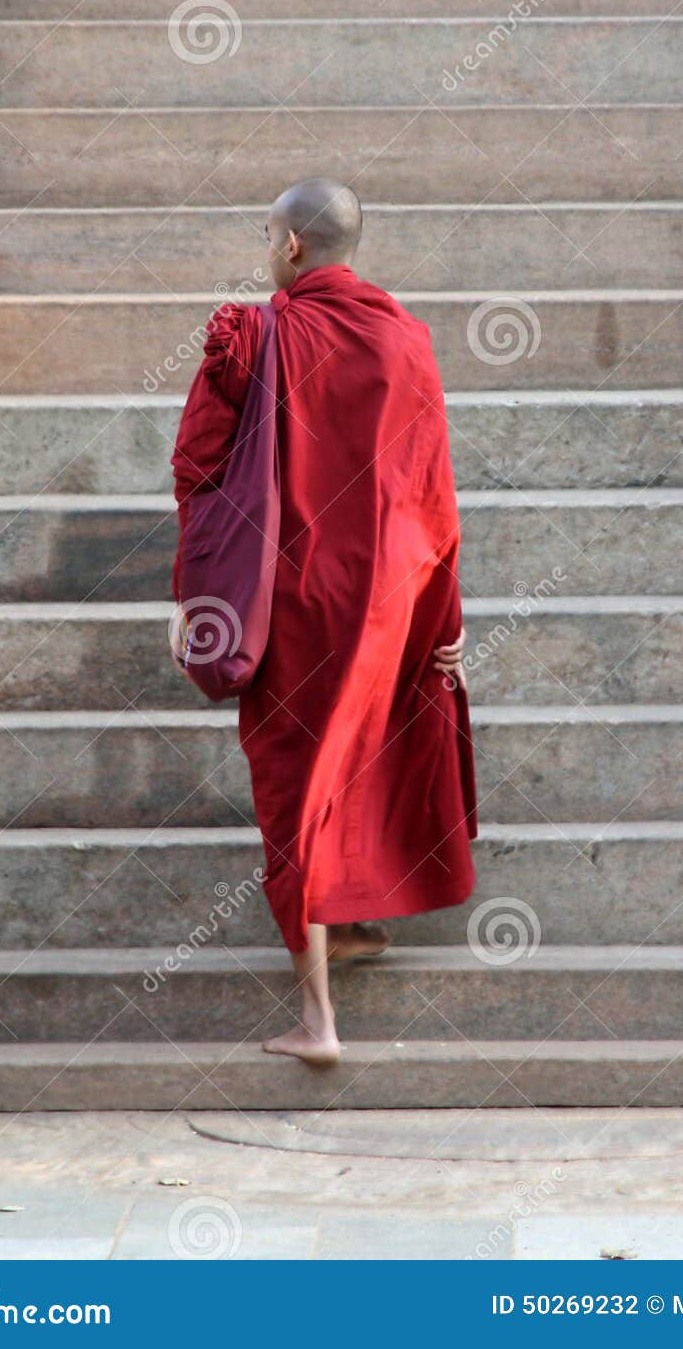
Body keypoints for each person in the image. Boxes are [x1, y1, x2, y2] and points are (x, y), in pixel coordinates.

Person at [170, 177, 477, 1065]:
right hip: (389, 597)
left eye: (269, 234)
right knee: (362, 750)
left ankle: (319, 1024)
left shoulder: (256, 333)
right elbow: (433, 492)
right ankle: (347, 923)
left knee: (295, 783)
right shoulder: (405, 342)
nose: (268, 250)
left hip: (295, 598)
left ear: (292, 247)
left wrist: (205, 589)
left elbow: (197, 464)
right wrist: (444, 612)